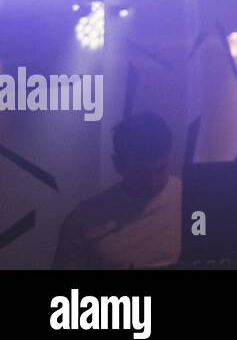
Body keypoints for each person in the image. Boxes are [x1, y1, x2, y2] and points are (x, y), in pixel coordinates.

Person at [51, 111, 181, 269]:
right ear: (118, 164)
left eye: (161, 170)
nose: (153, 182)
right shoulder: (83, 222)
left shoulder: (191, 199)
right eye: (141, 173)